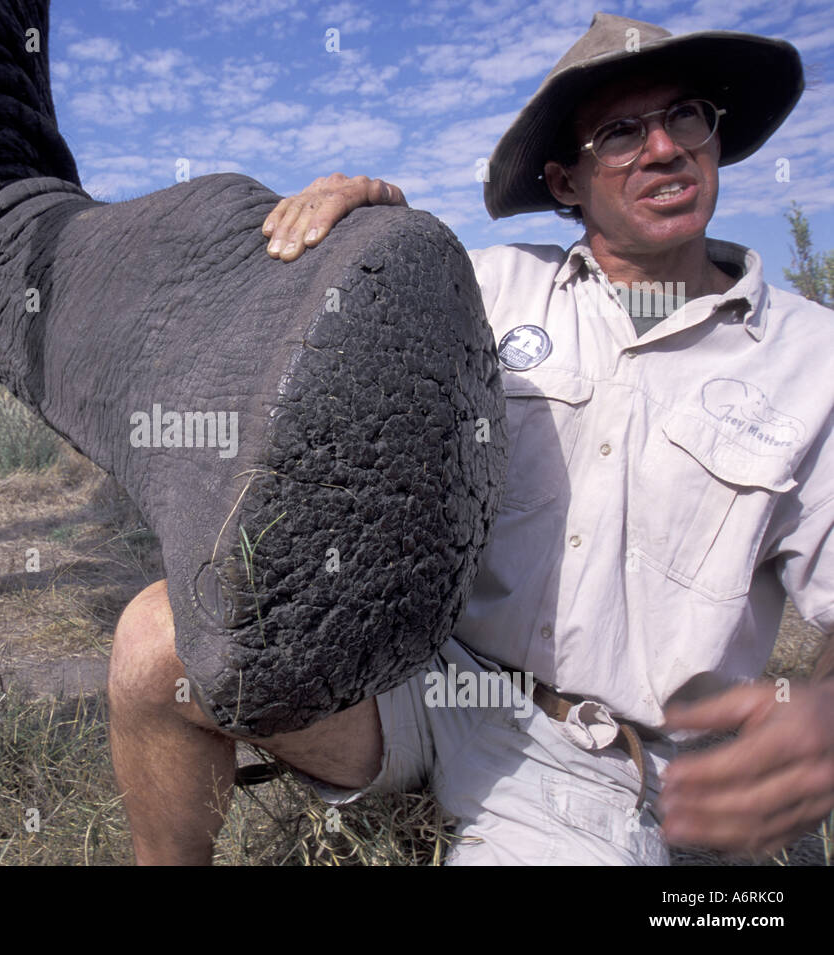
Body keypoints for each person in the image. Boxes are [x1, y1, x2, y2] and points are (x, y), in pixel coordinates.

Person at [108, 12, 834, 865]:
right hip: (431, 685)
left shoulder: (811, 361)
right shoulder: (495, 286)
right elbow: (364, 314)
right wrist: (370, 227)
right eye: (622, 132)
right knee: (161, 642)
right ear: (566, 182)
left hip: (620, 768)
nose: (666, 148)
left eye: (686, 117)